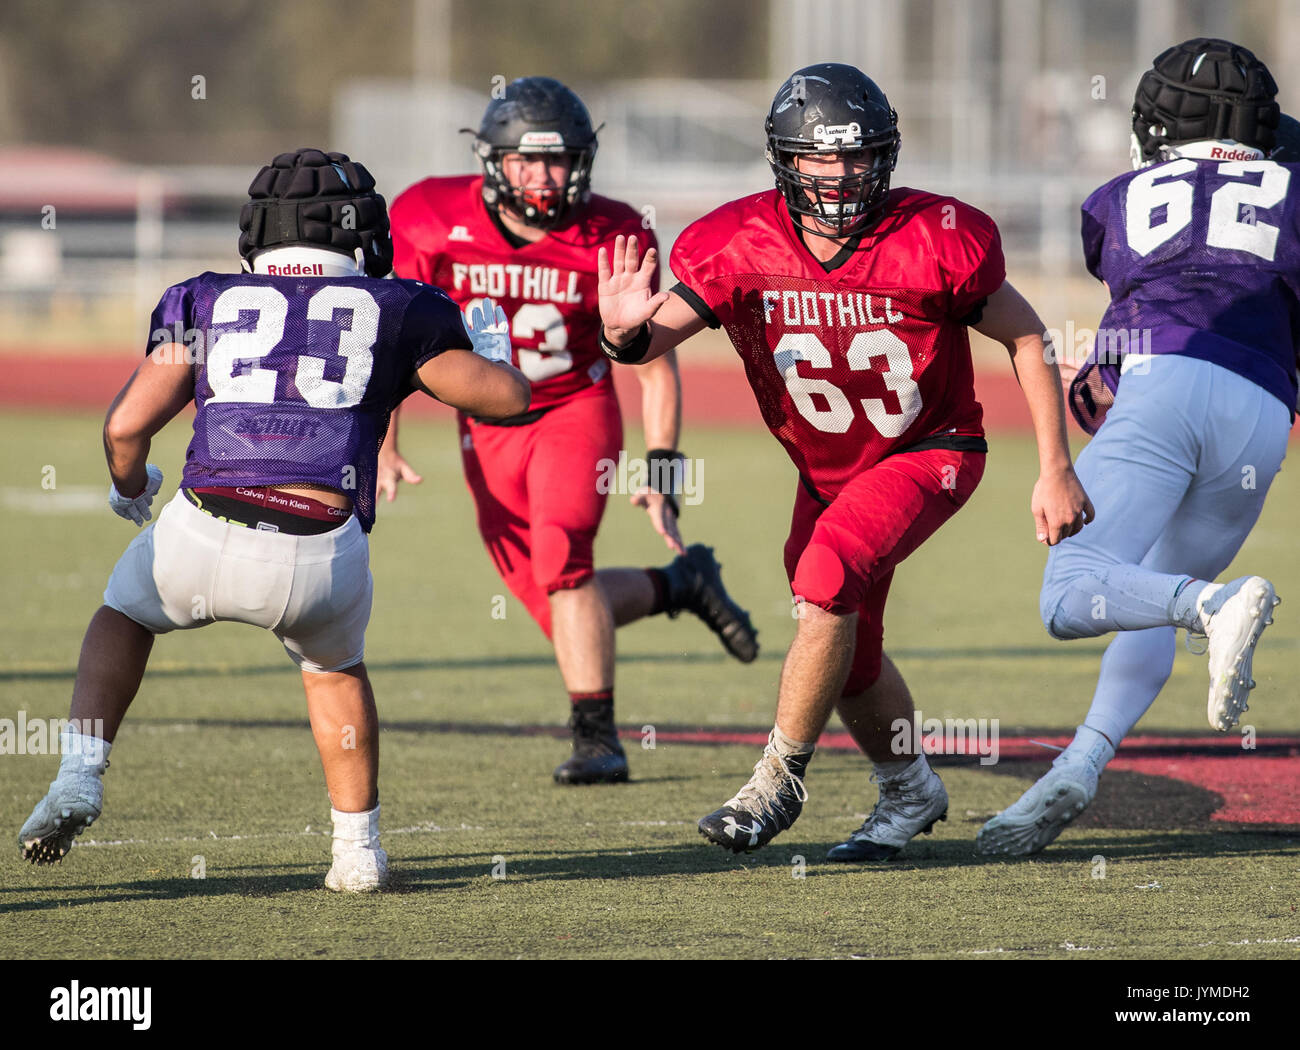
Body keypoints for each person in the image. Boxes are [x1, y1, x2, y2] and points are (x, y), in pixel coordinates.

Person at [598, 63, 1092, 858]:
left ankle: (777, 781)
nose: (838, 175)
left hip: (931, 449)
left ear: (886, 156)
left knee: (824, 577)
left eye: (857, 156)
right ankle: (909, 791)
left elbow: (1027, 336)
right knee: (847, 643)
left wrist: (1054, 466)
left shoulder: (938, 235)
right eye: (820, 158)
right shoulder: (733, 239)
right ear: (784, 159)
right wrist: (623, 332)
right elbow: (650, 342)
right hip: (825, 470)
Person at [17, 148, 531, 891]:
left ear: (257, 228)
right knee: (334, 672)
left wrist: (131, 488)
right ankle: (357, 853)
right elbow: (505, 400)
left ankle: (80, 774)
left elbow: (126, 427)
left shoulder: (203, 298)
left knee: (123, 616)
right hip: (318, 553)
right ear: (362, 230)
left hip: (200, 529)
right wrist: (492, 345)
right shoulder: (403, 306)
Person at [382, 77, 759, 786]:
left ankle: (598, 739)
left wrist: (663, 473)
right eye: (529, 161)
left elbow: (653, 367)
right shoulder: (431, 216)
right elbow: (394, 335)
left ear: (583, 160)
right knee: (548, 594)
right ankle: (681, 585)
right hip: (487, 421)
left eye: (559, 161)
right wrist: (383, 438)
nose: (546, 178)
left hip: (572, 408)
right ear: (493, 161)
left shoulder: (612, 235)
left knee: (562, 561)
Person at [978, 38, 1292, 856]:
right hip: (1264, 412)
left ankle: (1213, 608)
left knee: (1071, 593)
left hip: (1165, 380)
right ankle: (1081, 764)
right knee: (1146, 586)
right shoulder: (1290, 186)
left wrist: (1111, 370)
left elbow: (1154, 284)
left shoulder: (1121, 194)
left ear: (1157, 125)